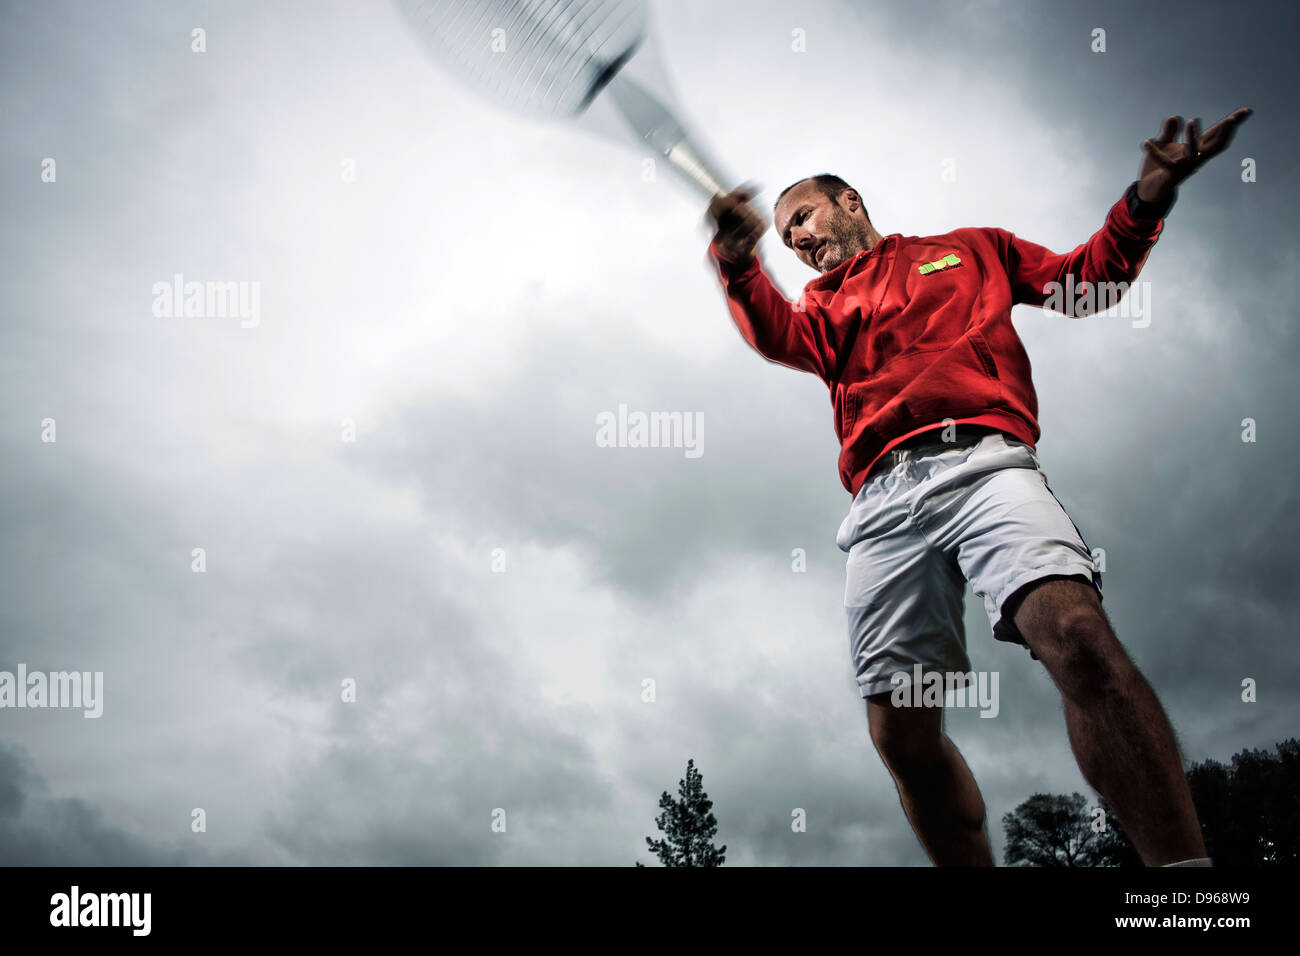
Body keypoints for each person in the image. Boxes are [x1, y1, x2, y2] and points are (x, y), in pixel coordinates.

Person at [704, 110, 1252, 866]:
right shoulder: (820, 309)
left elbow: (1087, 284)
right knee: (901, 733)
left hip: (987, 466)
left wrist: (1148, 197)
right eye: (784, 233)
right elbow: (773, 333)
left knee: (1080, 639)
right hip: (884, 502)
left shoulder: (971, 251)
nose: (794, 237)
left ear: (850, 201)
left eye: (802, 216)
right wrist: (737, 260)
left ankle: (1190, 893)